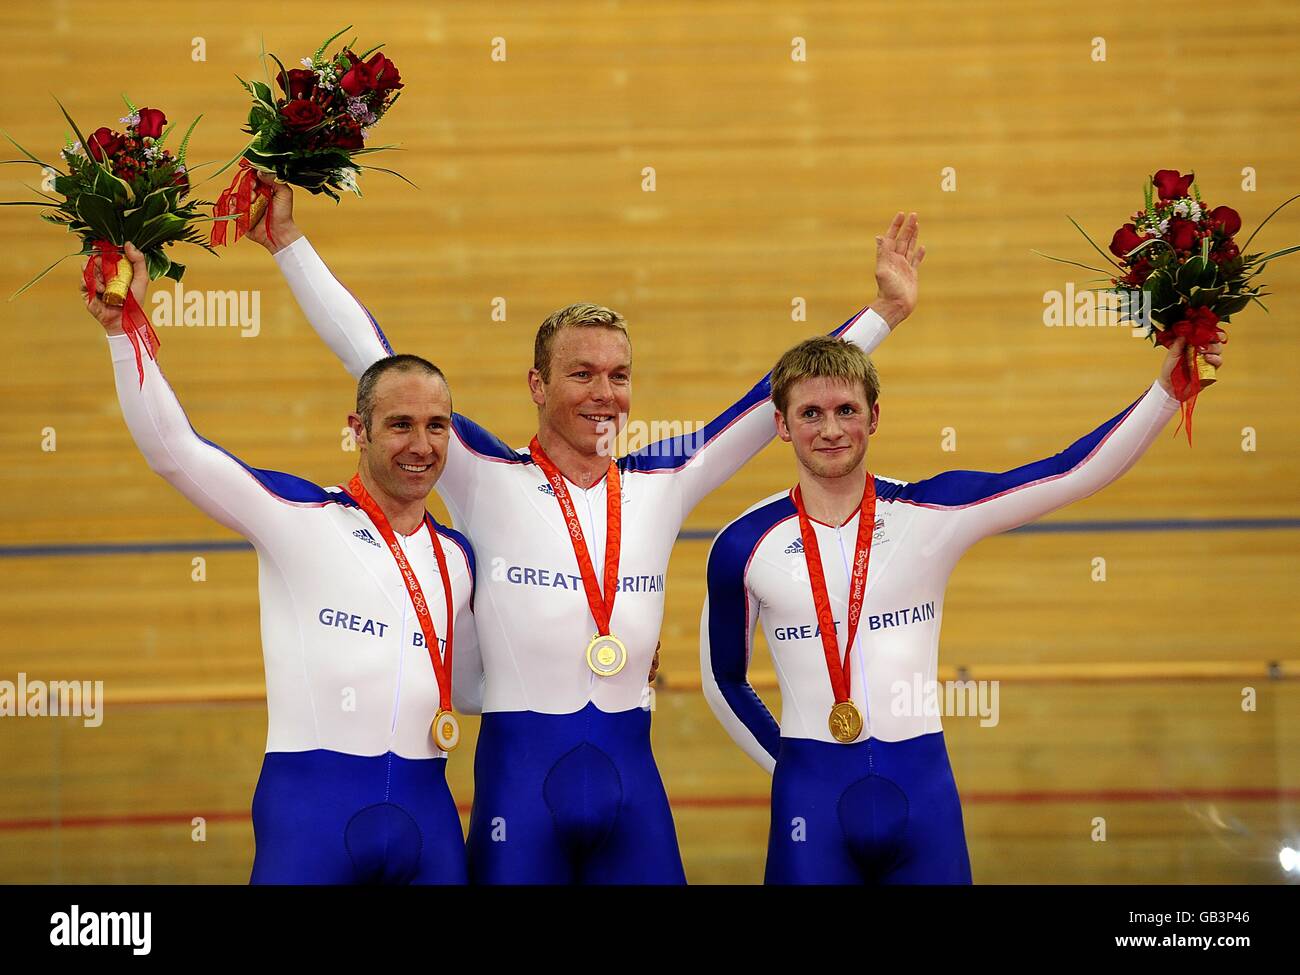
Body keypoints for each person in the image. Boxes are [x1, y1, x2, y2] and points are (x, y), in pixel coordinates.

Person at [250, 179, 924, 883]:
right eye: (581, 373)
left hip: (631, 797)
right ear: (537, 386)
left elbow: (773, 398)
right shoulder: (484, 474)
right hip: (520, 798)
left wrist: (883, 313)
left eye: (619, 374)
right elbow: (373, 357)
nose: (604, 393)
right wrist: (290, 245)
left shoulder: (664, 480)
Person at [700, 329, 1225, 883]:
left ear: (874, 416)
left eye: (846, 409)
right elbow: (722, 679)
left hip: (923, 799)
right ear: (782, 425)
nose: (830, 429)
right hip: (810, 805)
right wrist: (793, 768)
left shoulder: (930, 512)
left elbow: (1073, 472)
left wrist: (1167, 392)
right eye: (810, 413)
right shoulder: (742, 543)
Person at [84, 242, 482, 884]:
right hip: (310, 815)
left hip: (428, 819)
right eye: (400, 424)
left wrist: (605, 665)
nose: (421, 444)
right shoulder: (298, 517)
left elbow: (471, 691)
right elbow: (173, 452)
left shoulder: (457, 558)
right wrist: (125, 333)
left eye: (437, 426)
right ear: (358, 429)